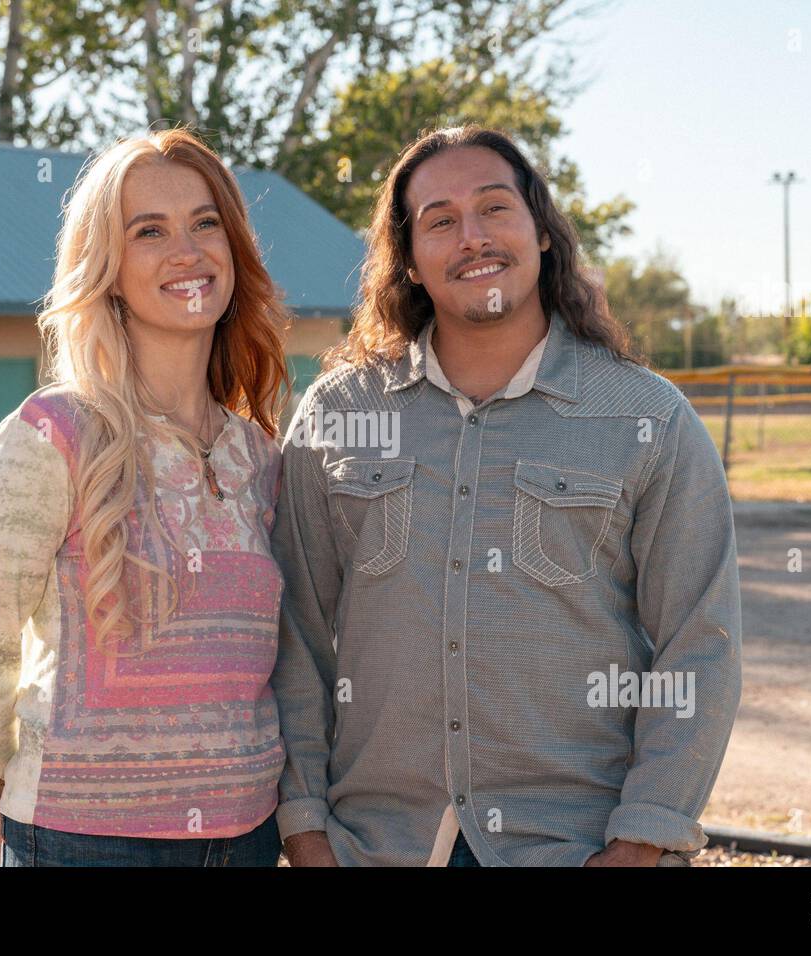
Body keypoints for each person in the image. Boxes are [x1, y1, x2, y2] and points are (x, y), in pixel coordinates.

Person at [271, 126, 743, 867]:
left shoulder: (647, 419)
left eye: (495, 208)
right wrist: (305, 834)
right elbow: (293, 636)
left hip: (573, 845)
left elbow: (700, 645)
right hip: (376, 847)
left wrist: (640, 840)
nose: (473, 237)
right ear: (411, 261)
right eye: (440, 220)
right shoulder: (336, 417)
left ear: (542, 233)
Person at [0, 127, 291, 867]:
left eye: (205, 223)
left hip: (250, 837)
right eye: (148, 232)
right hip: (85, 844)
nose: (187, 251)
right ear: (107, 266)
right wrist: (13, 836)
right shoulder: (52, 434)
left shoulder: (260, 454)